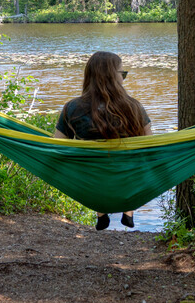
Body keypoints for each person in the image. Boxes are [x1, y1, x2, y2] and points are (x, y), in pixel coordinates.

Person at [53, 51, 152, 230]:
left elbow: (57, 146)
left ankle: (101, 212)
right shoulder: (133, 107)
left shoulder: (72, 108)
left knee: (89, 165)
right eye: (122, 74)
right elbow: (150, 145)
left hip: (91, 182)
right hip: (126, 178)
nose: (123, 78)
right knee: (138, 158)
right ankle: (128, 210)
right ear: (113, 77)